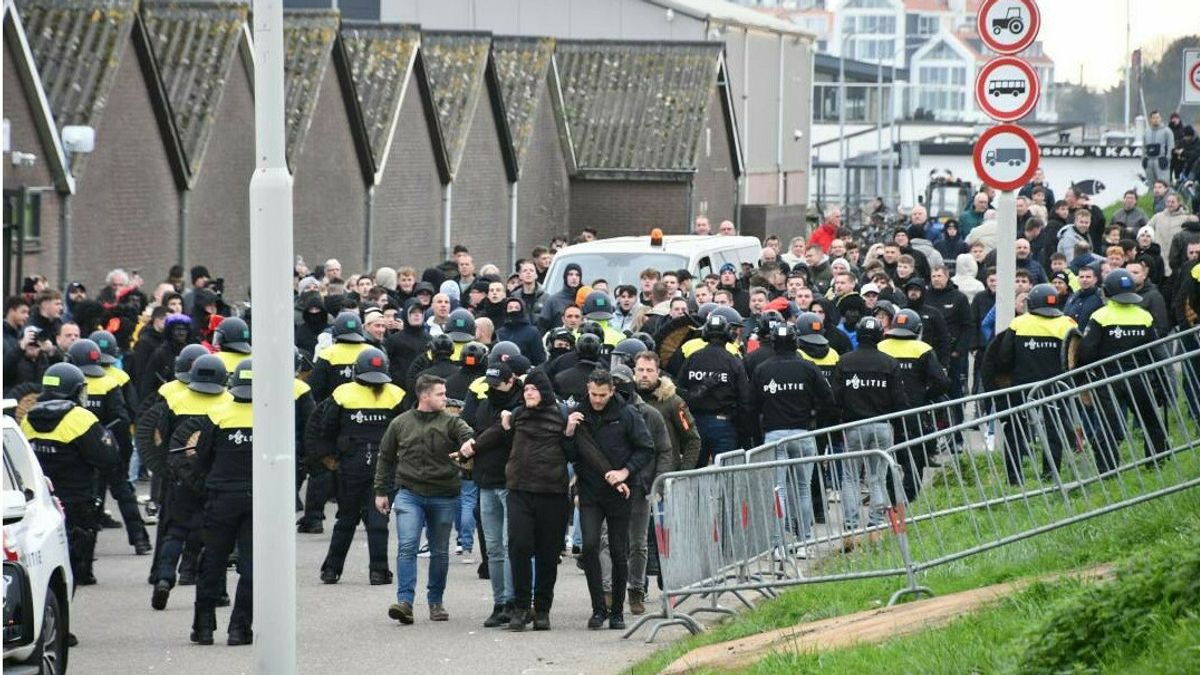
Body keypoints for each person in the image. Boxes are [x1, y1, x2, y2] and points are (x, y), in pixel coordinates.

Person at [375, 374, 475, 625]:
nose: (445, 398)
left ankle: (435, 602)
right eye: (440, 394)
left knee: (439, 552)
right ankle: (405, 602)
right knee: (407, 545)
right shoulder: (400, 423)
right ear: (424, 396)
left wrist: (468, 446)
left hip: (444, 494)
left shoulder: (452, 422)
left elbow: (468, 435)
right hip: (410, 493)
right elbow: (385, 457)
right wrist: (381, 491)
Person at [311, 348, 407, 585]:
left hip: (350, 465)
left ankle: (331, 570)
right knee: (378, 520)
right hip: (384, 466)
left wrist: (329, 459)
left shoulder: (342, 393)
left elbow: (325, 428)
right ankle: (379, 571)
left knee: (345, 519)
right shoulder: (397, 394)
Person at [22, 363, 119, 587]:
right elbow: (107, 458)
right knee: (79, 553)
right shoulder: (80, 419)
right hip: (77, 498)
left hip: (42, 496)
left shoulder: (28, 418)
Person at [572, 369, 654, 631]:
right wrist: (568, 429)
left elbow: (646, 448)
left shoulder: (626, 413)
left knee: (620, 552)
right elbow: (570, 453)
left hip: (620, 490)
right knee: (590, 547)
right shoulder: (579, 412)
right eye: (593, 394)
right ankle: (599, 608)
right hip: (590, 491)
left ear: (612, 391)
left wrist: (625, 472)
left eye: (602, 395)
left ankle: (617, 610)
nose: (597, 400)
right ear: (588, 389)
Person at [148, 355, 232, 607]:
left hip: (181, 478)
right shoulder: (229, 403)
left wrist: (167, 470)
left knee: (175, 531)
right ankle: (217, 592)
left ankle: (164, 578)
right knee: (217, 538)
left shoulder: (175, 402)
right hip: (215, 479)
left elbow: (160, 440)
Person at [189, 359, 256, 646]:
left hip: (221, 497)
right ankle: (239, 629)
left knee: (213, 561)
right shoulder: (273, 413)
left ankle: (203, 628)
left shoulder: (217, 413)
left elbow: (202, 457)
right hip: (258, 499)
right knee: (252, 566)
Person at [981, 284, 1076, 484]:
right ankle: (1051, 474)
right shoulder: (1067, 323)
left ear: (1030, 303)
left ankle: (1014, 478)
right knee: (1054, 431)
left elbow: (1004, 357)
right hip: (1056, 387)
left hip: (1022, 388)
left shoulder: (1019, 323)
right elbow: (1075, 357)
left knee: (1015, 432)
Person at [1076, 269, 1169, 471]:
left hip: (1107, 380)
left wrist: (1083, 379)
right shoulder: (1144, 316)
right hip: (1140, 377)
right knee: (1150, 421)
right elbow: (1156, 351)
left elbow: (1086, 352)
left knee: (1108, 426)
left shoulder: (1100, 316)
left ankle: (1107, 470)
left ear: (1107, 291)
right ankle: (1157, 464)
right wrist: (1162, 385)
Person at [750, 323, 833, 542]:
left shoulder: (762, 369)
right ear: (796, 342)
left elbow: (751, 405)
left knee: (780, 491)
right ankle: (804, 539)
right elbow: (828, 398)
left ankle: (779, 543)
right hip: (803, 433)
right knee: (803, 488)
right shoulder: (808, 367)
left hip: (775, 436)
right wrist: (814, 416)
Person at [830, 317, 908, 550]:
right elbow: (899, 399)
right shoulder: (889, 363)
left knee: (851, 477)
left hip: (853, 427)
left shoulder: (844, 362)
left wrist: (838, 423)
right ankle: (875, 526)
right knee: (877, 477)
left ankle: (852, 528)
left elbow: (836, 397)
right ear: (880, 336)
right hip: (882, 426)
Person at [678, 313, 750, 464]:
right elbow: (745, 399)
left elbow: (680, 391)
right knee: (725, 475)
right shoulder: (733, 361)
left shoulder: (693, 358)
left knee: (696, 475)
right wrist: (743, 430)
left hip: (695, 423)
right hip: (724, 424)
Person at [1143, 110, 1174, 187]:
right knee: (1151, 186)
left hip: (1161, 161)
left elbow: (1171, 146)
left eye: (1157, 117)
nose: (1156, 119)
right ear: (1150, 119)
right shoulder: (1146, 132)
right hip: (1149, 161)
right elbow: (1144, 147)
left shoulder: (1167, 131)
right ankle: (1151, 198)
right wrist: (1144, 160)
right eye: (1153, 118)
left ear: (1161, 118)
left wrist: (1167, 159)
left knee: (1163, 185)